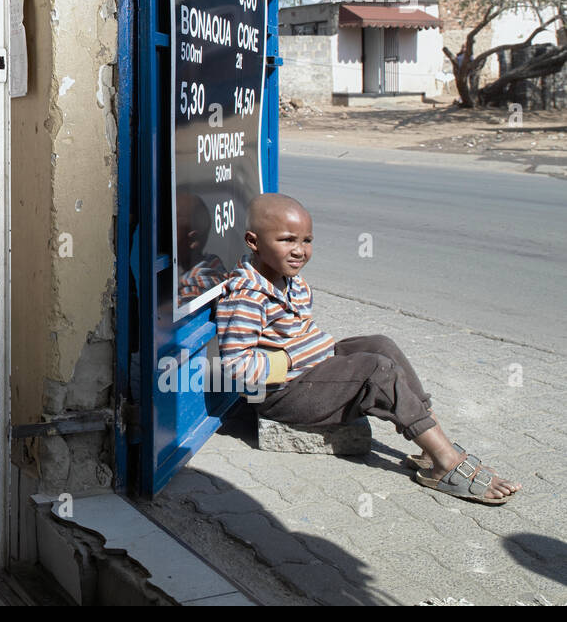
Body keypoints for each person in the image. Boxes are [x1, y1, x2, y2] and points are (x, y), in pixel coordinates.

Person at [215, 193, 521, 505]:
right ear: (253, 242)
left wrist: (310, 350)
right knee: (376, 371)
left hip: (311, 371)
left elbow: (301, 338)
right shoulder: (246, 298)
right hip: (282, 395)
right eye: (287, 240)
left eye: (307, 240)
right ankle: (446, 463)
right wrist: (297, 355)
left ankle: (433, 445)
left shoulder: (287, 279)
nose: (300, 251)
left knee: (380, 346)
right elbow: (237, 366)